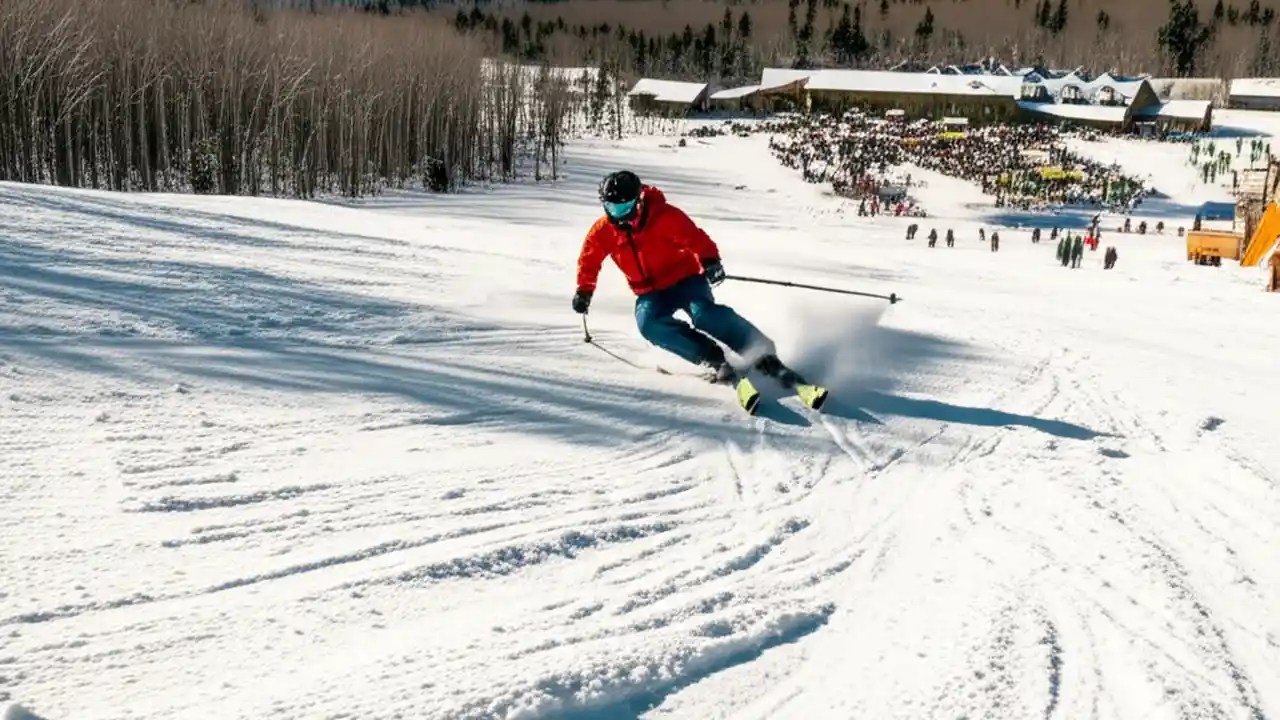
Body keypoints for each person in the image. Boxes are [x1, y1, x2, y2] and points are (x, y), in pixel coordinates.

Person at [574, 171, 790, 386]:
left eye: (622, 207)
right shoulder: (603, 230)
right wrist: (584, 291)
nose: (617, 215)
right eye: (611, 208)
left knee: (703, 314)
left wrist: (710, 261)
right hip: (650, 292)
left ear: (637, 200)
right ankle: (710, 358)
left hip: (684, 280)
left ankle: (757, 348)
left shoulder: (664, 216)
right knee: (649, 324)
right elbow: (589, 260)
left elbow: (696, 238)